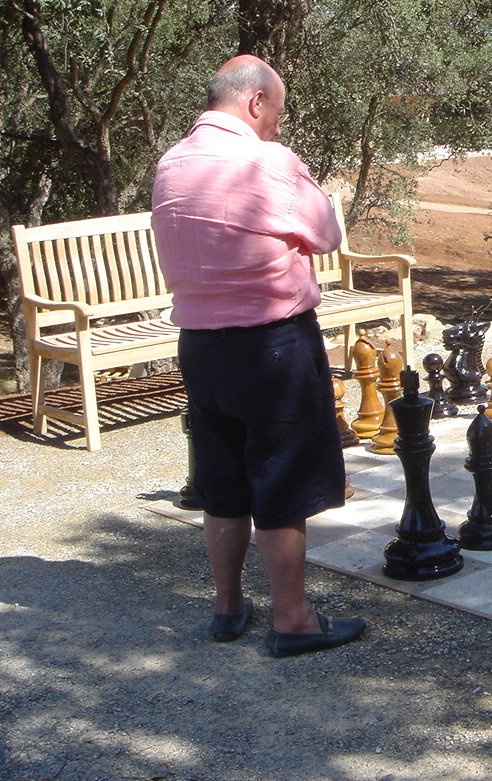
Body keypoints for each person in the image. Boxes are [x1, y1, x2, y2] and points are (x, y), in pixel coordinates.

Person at [152, 55, 366, 658]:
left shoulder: (170, 163)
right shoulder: (266, 161)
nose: (276, 124)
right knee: (281, 479)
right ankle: (294, 620)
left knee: (222, 481)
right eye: (275, 111)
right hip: (272, 343)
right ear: (254, 103)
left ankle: (227, 608)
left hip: (199, 345)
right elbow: (326, 234)